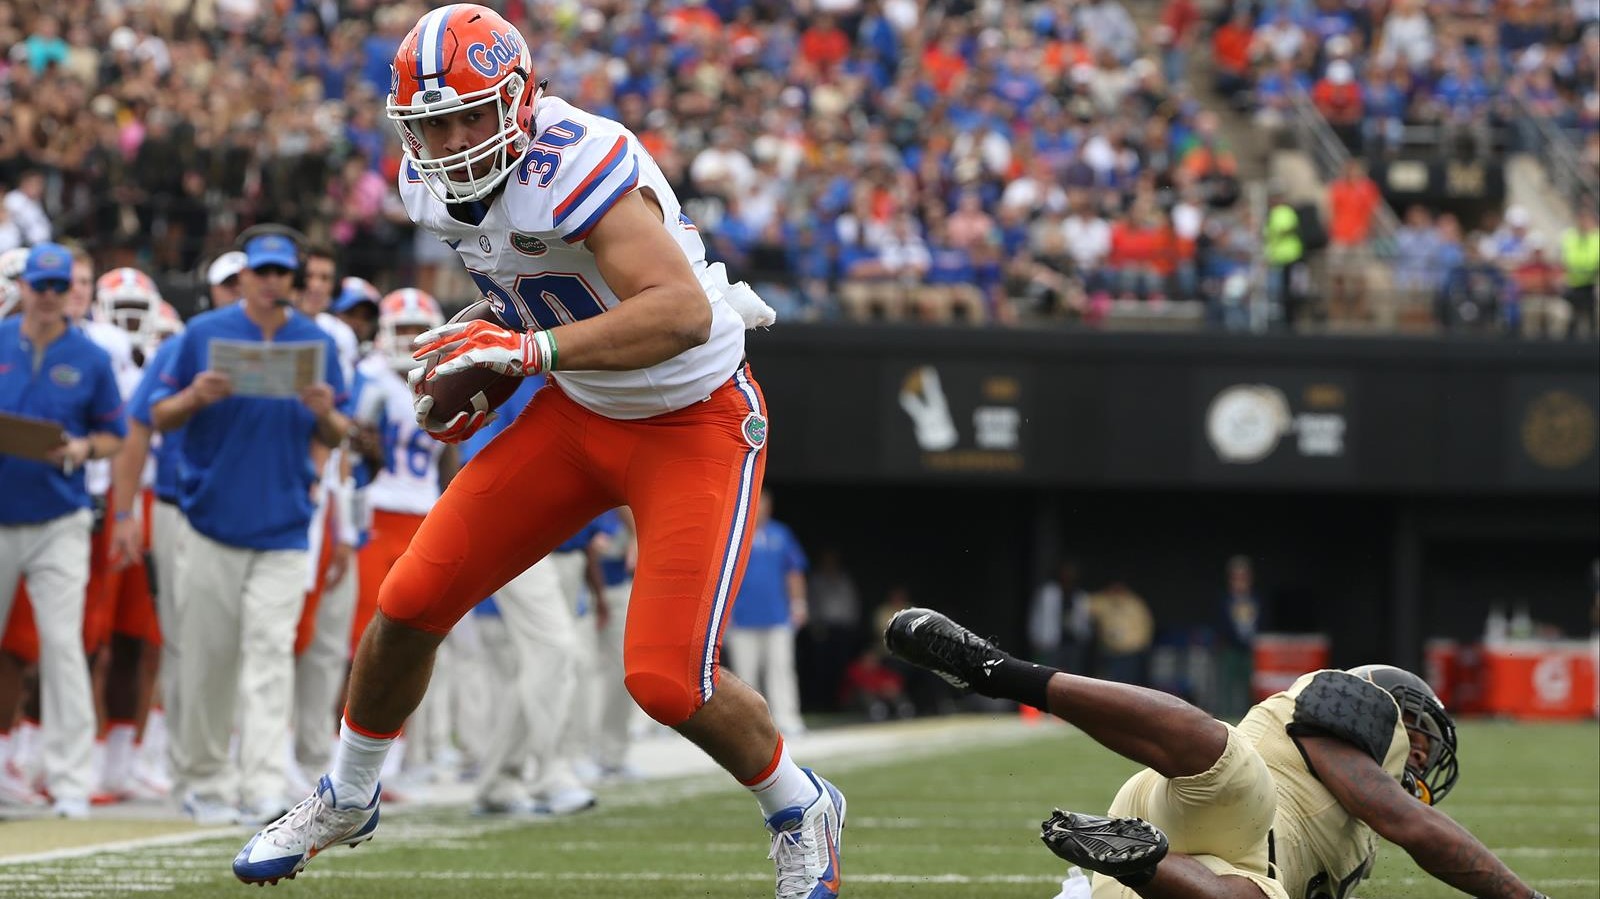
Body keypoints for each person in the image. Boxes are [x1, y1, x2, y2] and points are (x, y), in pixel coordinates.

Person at [234, 8, 843, 899]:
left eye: (469, 116)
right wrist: (489, 331)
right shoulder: (424, 182)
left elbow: (680, 309)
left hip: (693, 417)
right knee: (408, 601)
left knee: (666, 678)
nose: (450, 141)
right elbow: (527, 290)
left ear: (518, 99)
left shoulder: (576, 158)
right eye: (432, 124)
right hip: (580, 411)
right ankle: (347, 793)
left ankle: (801, 806)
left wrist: (527, 353)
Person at [884, 608, 1550, 899]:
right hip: (1219, 804)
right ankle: (998, 671)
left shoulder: (1357, 848)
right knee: (1228, 763)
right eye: (1423, 742)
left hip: (1186, 874)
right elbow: (1409, 822)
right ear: (1396, 710)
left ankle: (1134, 858)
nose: (1421, 763)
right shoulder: (1350, 705)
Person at [149, 231, 348, 824]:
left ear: (293, 278)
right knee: (208, 659)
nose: (270, 282)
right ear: (244, 276)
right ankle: (203, 779)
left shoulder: (318, 342)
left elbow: (337, 437)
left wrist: (325, 412)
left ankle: (261, 782)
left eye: (280, 272)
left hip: (286, 522)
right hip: (211, 519)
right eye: (260, 271)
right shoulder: (202, 334)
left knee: (270, 656)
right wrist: (194, 396)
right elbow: (155, 414)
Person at [0, 242, 127, 818]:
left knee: (62, 646)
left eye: (58, 287)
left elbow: (114, 435)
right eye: (40, 286)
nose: (49, 297)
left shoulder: (92, 355)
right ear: (23, 287)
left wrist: (80, 448)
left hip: (60, 513)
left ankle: (71, 779)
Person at [726, 490, 810, 735]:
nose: (760, 509)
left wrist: (799, 604)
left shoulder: (781, 534)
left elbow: (793, 572)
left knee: (781, 669)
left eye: (764, 505)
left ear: (769, 508)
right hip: (742, 617)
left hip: (777, 616)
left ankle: (787, 718)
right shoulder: (734, 531)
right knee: (744, 675)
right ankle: (748, 725)